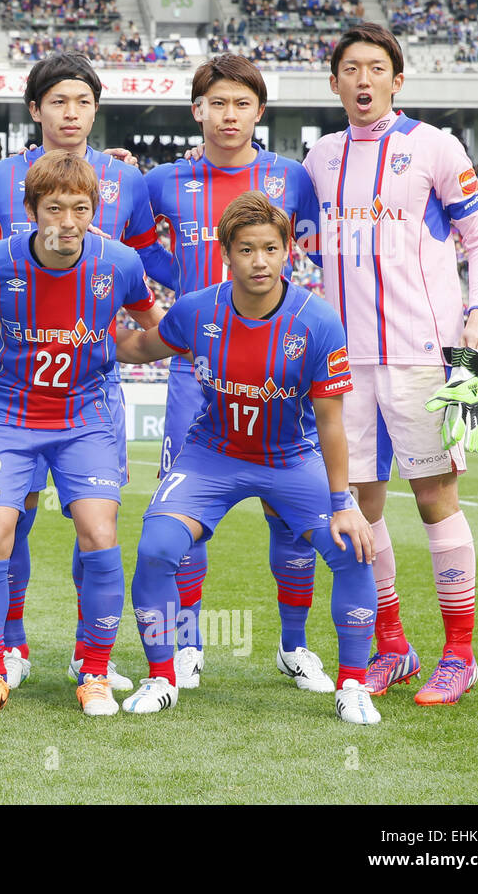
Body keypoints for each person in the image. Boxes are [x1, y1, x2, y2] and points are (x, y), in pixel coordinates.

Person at [0, 50, 168, 693]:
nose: (72, 113)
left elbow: (150, 276)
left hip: (87, 395)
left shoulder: (127, 184)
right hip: (14, 393)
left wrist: (207, 321)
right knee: (8, 521)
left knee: (94, 523)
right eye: (59, 101)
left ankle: (88, 657)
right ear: (35, 108)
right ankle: (7, 648)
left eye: (84, 102)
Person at [112, 191, 382, 725]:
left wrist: (343, 500)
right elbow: (141, 347)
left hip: (290, 458)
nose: (259, 261)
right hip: (213, 453)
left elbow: (331, 423)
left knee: (351, 550)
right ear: (227, 254)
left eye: (270, 249)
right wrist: (83, 332)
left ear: (288, 252)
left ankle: (352, 685)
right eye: (246, 250)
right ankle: (163, 676)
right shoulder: (196, 310)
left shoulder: (318, 321)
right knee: (157, 546)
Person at [303, 23, 478, 705]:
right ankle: (394, 647)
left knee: (434, 498)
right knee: (359, 505)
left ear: (397, 79)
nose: (363, 79)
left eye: (376, 67)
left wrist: (477, 323)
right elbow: (283, 226)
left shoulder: (434, 147)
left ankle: (461, 654)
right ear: (334, 84)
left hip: (423, 353)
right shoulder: (320, 159)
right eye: (350, 68)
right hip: (344, 363)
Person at [143, 53, 329, 693]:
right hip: (198, 373)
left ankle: (294, 647)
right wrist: (182, 292)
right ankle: (189, 645)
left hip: (279, 364)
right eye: (217, 103)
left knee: (292, 518)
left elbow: (313, 249)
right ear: (197, 110)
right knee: (183, 515)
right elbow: (140, 245)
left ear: (259, 111)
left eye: (241, 103)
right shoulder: (164, 181)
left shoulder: (292, 178)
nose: (229, 115)